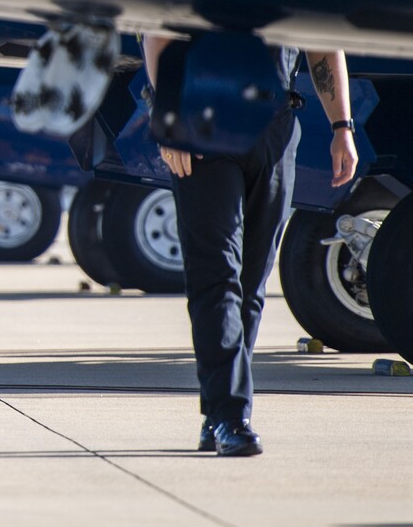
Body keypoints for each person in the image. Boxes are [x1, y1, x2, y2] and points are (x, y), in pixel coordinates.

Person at [143, 37, 357, 457]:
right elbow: (159, 34)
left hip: (276, 129)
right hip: (203, 127)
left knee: (251, 281)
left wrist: (342, 127)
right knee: (217, 275)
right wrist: (168, 120)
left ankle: (217, 410)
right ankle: (231, 415)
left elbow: (322, 42)